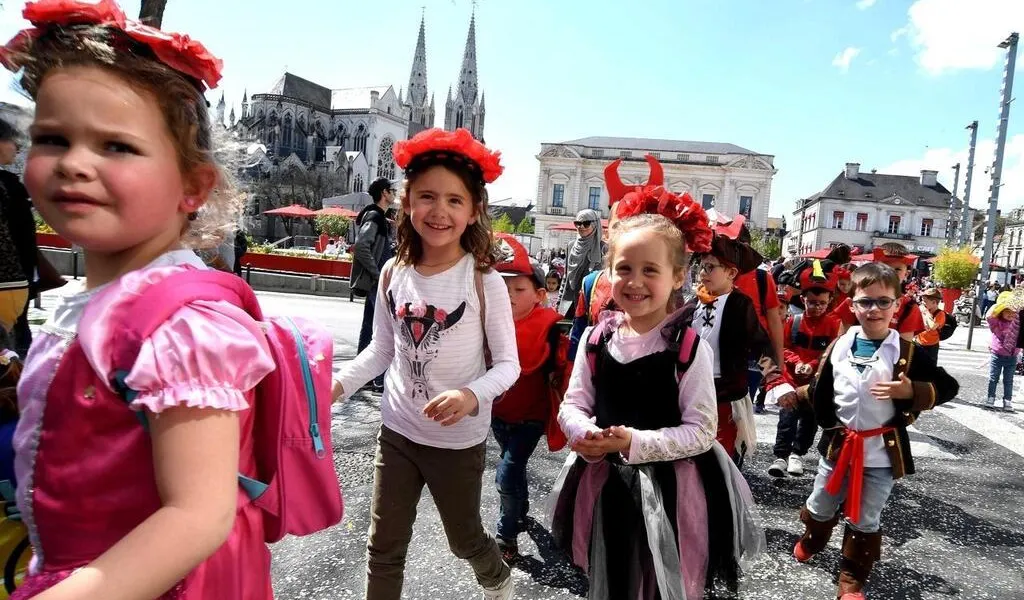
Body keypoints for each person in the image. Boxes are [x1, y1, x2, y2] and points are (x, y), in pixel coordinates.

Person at [3, 2, 276, 597]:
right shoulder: (95, 300)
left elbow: (197, 516)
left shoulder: (183, 327)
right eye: (53, 138)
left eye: (117, 147)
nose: (75, 163)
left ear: (194, 186)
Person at [332, 127, 519, 600]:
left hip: (457, 443)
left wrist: (470, 394)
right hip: (396, 431)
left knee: (465, 539)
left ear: (474, 210)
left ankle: (496, 577)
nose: (440, 211)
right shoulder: (393, 272)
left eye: (455, 200)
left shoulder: (483, 281)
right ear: (407, 203)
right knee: (383, 548)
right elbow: (381, 349)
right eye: (427, 196)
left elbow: (508, 366)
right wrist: (337, 385)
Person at [551, 198, 765, 598]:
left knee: (662, 577)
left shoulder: (687, 348)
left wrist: (633, 442)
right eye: (624, 269)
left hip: (673, 490)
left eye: (651, 270)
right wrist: (584, 434)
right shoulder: (598, 340)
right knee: (614, 571)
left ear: (678, 276)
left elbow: (702, 430)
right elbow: (573, 402)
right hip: (605, 480)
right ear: (608, 272)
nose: (635, 282)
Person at [792, 262, 958, 599]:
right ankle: (815, 536)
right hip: (838, 448)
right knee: (821, 505)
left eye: (884, 301)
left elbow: (949, 386)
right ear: (852, 304)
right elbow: (822, 387)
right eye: (866, 301)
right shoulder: (839, 346)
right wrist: (794, 395)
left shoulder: (909, 353)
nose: (874, 309)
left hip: (882, 453)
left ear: (897, 305)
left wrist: (911, 392)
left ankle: (852, 576)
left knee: (866, 517)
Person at [682, 216, 794, 466]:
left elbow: (759, 343)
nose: (703, 273)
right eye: (701, 266)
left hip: (725, 394)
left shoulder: (739, 304)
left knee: (720, 456)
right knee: (689, 453)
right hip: (691, 391)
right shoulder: (693, 303)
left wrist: (776, 379)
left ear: (731, 273)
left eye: (711, 267)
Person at [490, 233, 565, 560]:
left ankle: (506, 535)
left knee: (506, 470)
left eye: (518, 290)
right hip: (498, 414)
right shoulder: (487, 322)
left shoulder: (551, 326)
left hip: (531, 418)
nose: (510, 296)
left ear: (539, 295)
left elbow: (565, 368)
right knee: (514, 468)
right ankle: (519, 512)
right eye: (503, 289)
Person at [769, 261, 841, 478]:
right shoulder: (794, 321)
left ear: (829, 301)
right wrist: (796, 361)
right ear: (803, 300)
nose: (816, 307)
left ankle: (798, 454)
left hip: (814, 383)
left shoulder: (833, 325)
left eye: (821, 303)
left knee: (809, 421)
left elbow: (830, 352)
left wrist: (810, 365)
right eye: (812, 302)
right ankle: (781, 455)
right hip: (792, 378)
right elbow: (783, 346)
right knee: (787, 418)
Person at [351, 176, 395, 393]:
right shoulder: (375, 216)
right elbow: (361, 246)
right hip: (376, 281)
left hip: (376, 281)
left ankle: (362, 376)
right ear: (384, 193)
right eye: (392, 190)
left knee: (370, 327)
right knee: (381, 330)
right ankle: (376, 378)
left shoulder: (380, 217)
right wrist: (378, 274)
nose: (394, 194)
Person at [833, 244, 925, 341]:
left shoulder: (909, 307)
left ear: (906, 274)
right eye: (885, 267)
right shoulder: (857, 300)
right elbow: (842, 338)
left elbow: (904, 347)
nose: (891, 273)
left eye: (897, 269)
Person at [0, 119, 34, 357]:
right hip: (7, 283)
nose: (18, 148)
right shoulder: (7, 186)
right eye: (14, 141)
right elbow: (21, 238)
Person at [561, 208, 605, 317]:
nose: (581, 227)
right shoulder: (571, 246)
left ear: (595, 225)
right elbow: (566, 277)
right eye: (578, 223)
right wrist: (559, 304)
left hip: (592, 305)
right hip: (570, 303)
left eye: (586, 223)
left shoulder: (604, 248)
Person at [985, 291, 1019, 412]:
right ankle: (990, 398)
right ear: (1001, 312)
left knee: (1009, 380)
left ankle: (1007, 400)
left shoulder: (1018, 324)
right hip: (997, 355)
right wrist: (999, 304)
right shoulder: (997, 322)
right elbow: (989, 316)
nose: (1011, 314)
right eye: (1007, 311)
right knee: (993, 378)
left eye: (1013, 312)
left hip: (1012, 356)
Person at [914, 287, 945, 363]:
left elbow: (932, 327)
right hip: (919, 343)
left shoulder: (940, 314)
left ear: (934, 302)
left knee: (930, 369)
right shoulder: (923, 311)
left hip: (932, 346)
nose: (923, 303)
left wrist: (926, 313)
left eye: (925, 301)